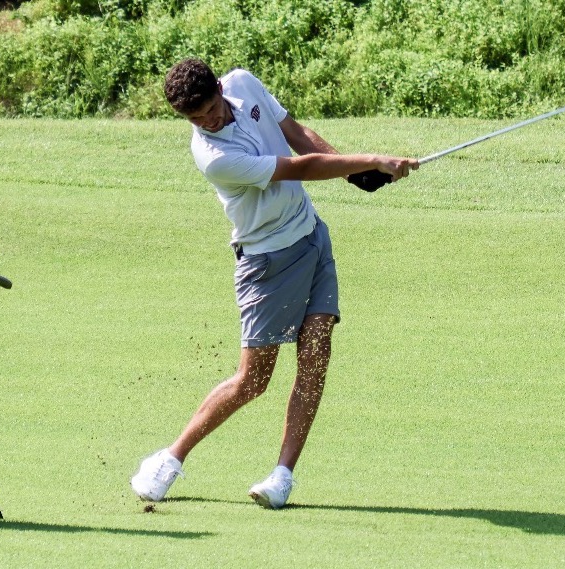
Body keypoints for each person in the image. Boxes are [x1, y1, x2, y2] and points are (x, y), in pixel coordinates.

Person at [130, 58, 418, 509]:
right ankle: (170, 458)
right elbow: (296, 169)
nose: (205, 122)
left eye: (208, 109)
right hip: (266, 261)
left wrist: (352, 170)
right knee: (253, 381)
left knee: (316, 354)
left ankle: (282, 474)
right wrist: (371, 161)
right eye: (193, 118)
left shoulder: (244, 83)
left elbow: (296, 133)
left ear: (220, 89)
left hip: (311, 236)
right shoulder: (214, 157)